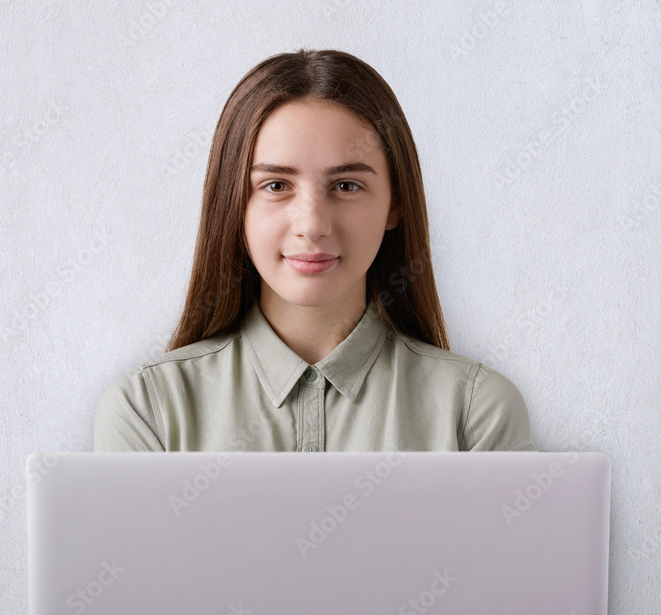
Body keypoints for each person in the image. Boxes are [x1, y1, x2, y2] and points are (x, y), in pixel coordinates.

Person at [93, 48, 536, 453]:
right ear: (233, 204)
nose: (312, 225)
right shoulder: (145, 409)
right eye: (276, 186)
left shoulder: (476, 412)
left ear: (396, 203)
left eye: (346, 185)